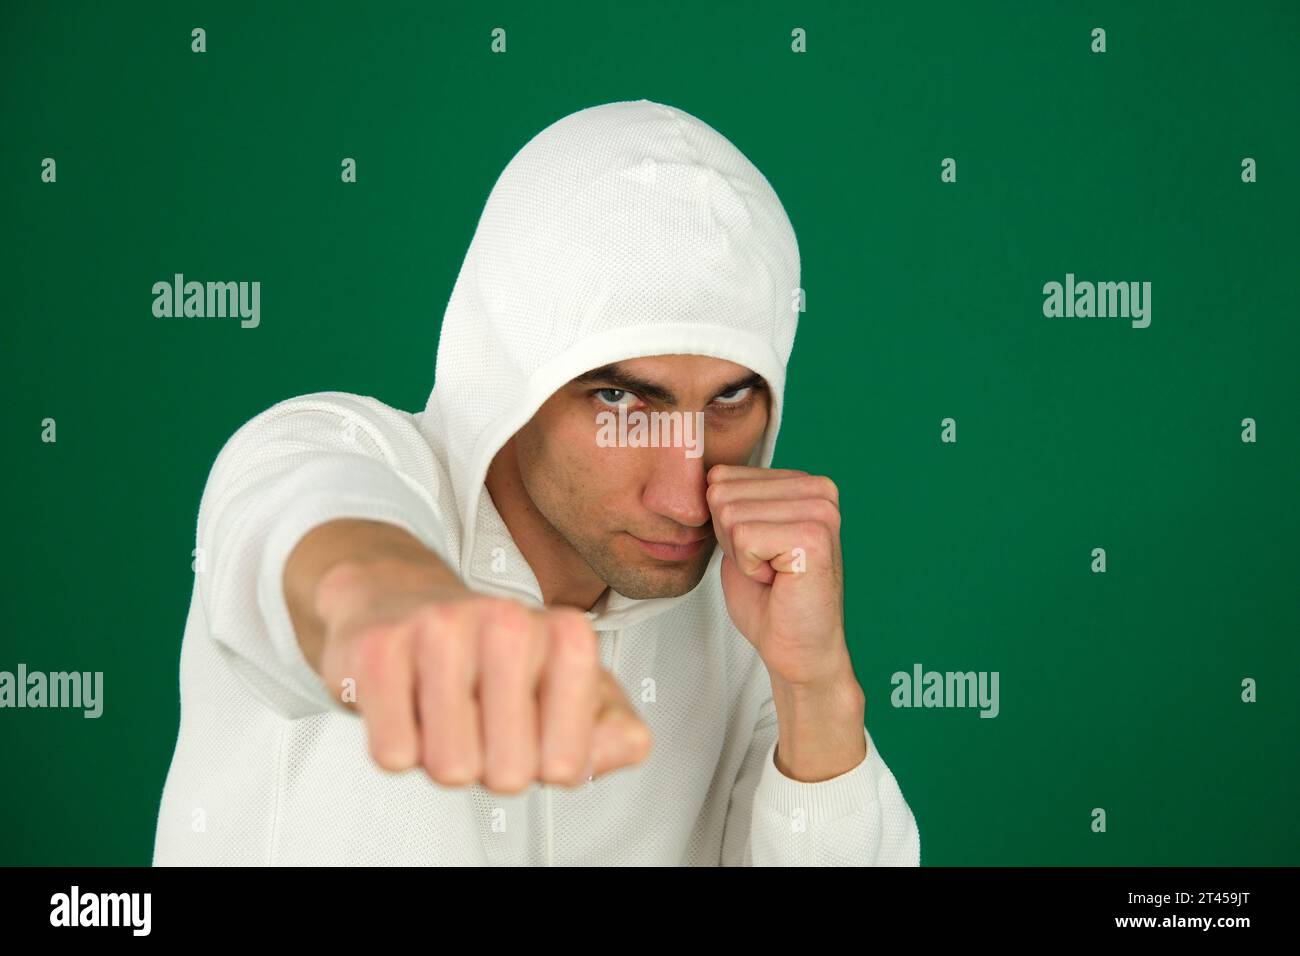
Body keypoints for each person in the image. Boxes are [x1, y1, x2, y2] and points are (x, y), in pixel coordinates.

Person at [152, 98, 921, 866]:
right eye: (619, 400)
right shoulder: (337, 450)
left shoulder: (749, 618)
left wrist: (817, 690)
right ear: (510, 371)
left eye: (729, 399)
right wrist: (403, 612)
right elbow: (310, 535)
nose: (686, 497)